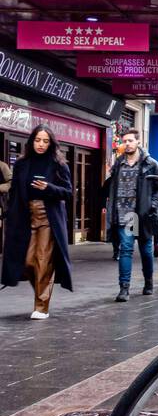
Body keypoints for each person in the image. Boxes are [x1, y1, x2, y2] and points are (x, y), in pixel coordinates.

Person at [1, 126, 72, 318]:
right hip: (25, 216)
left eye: (45, 141)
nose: (41, 144)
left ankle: (41, 306)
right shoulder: (23, 164)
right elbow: (15, 191)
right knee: (27, 261)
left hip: (48, 217)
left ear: (51, 143)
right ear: (32, 141)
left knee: (43, 259)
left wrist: (49, 187)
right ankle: (41, 289)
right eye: (38, 140)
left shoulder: (58, 164)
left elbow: (68, 191)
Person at [103, 128, 158, 303]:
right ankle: (124, 288)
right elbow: (111, 187)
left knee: (146, 251)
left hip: (142, 214)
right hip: (125, 215)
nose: (127, 144)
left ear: (138, 142)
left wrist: (152, 206)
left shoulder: (150, 163)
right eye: (125, 141)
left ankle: (148, 282)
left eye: (130, 140)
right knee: (126, 250)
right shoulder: (118, 163)